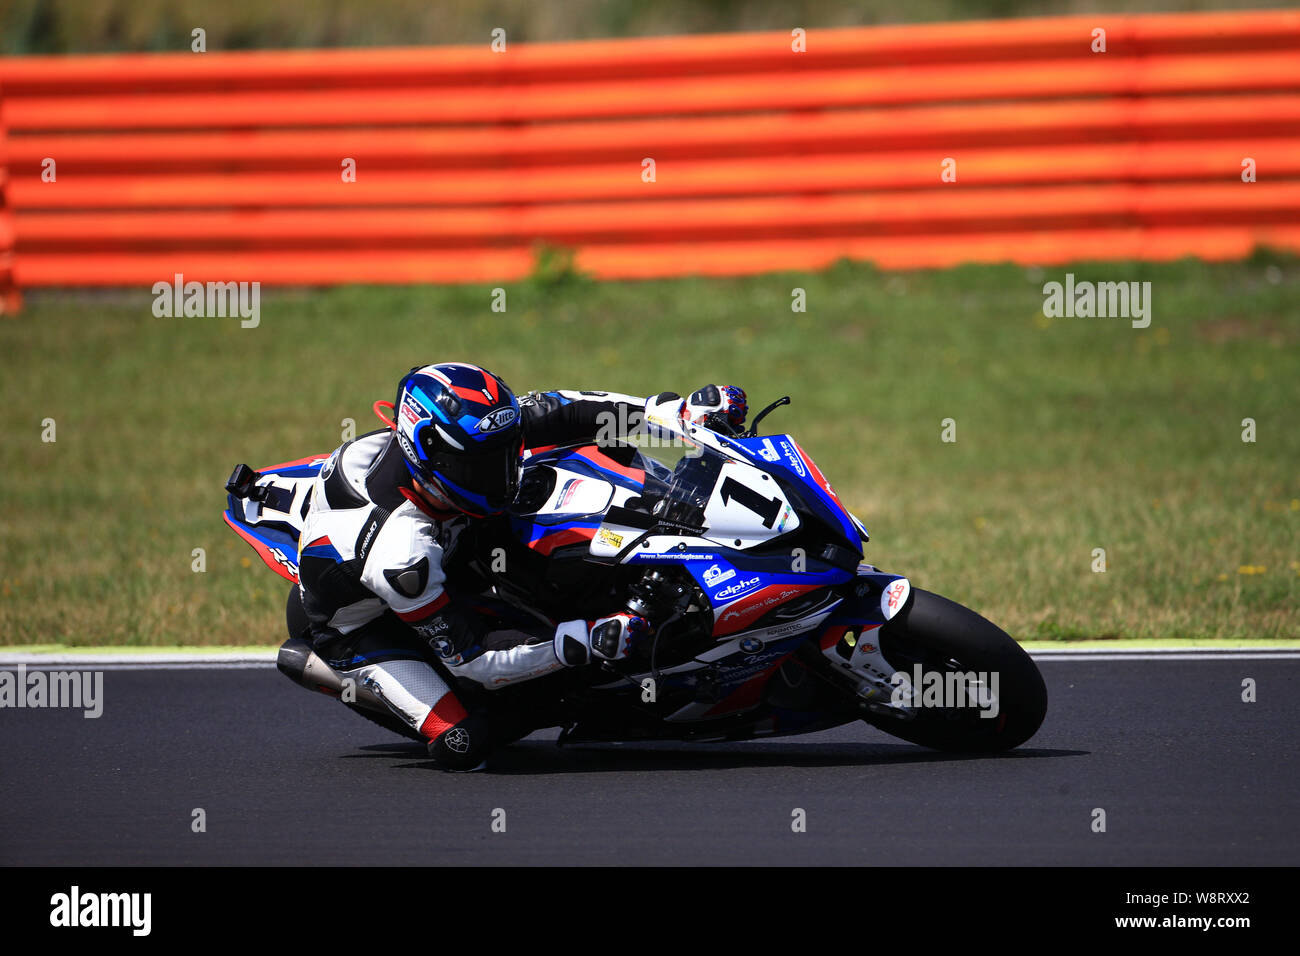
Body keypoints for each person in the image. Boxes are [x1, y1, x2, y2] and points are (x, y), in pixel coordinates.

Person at [289, 362, 747, 770]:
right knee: (469, 742)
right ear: (430, 458)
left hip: (452, 533)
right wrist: (582, 642)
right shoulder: (401, 555)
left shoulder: (467, 438)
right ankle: (329, 668)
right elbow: (476, 660)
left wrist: (673, 413)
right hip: (366, 627)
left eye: (509, 454)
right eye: (483, 468)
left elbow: (566, 411)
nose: (505, 475)